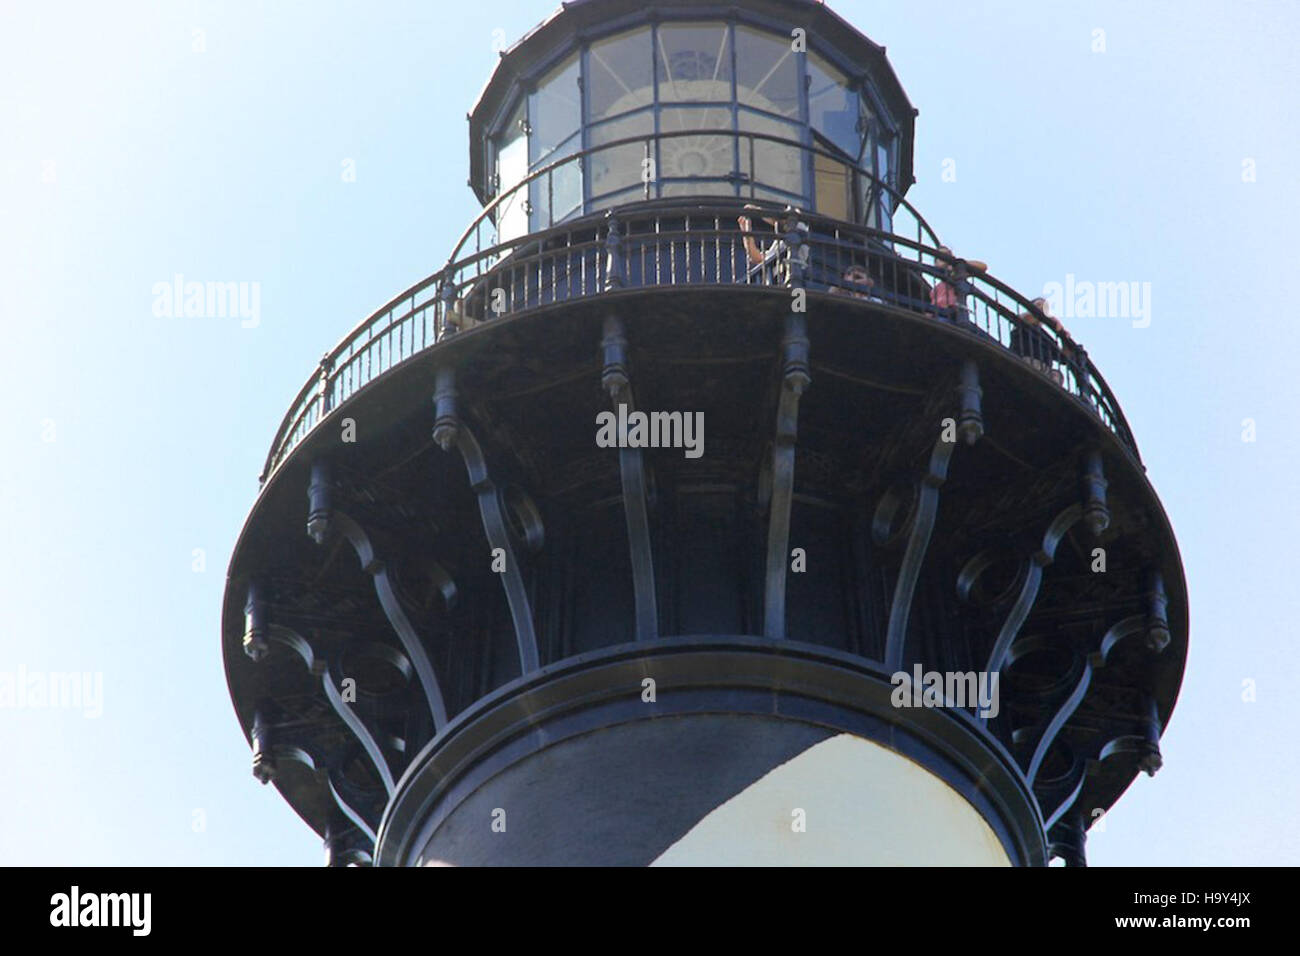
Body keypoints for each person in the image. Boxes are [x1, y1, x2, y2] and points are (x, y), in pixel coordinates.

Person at [1012, 297, 1066, 385]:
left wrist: (1063, 336)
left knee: (1057, 375)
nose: (1042, 309)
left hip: (1045, 370)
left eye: (1046, 308)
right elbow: (1028, 318)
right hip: (1025, 361)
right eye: (1039, 305)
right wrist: (1053, 321)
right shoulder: (1022, 320)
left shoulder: (1046, 337)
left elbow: (1063, 358)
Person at [929, 245, 986, 322]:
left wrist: (959, 263)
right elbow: (934, 304)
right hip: (938, 314)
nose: (944, 259)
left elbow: (982, 267)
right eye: (940, 258)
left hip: (952, 313)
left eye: (947, 255)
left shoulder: (958, 274)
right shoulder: (936, 289)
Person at [737, 203, 785, 283]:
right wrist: (747, 233)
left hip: (788, 279)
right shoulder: (780, 243)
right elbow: (757, 258)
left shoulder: (800, 229)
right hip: (773, 282)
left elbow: (782, 222)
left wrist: (757, 211)